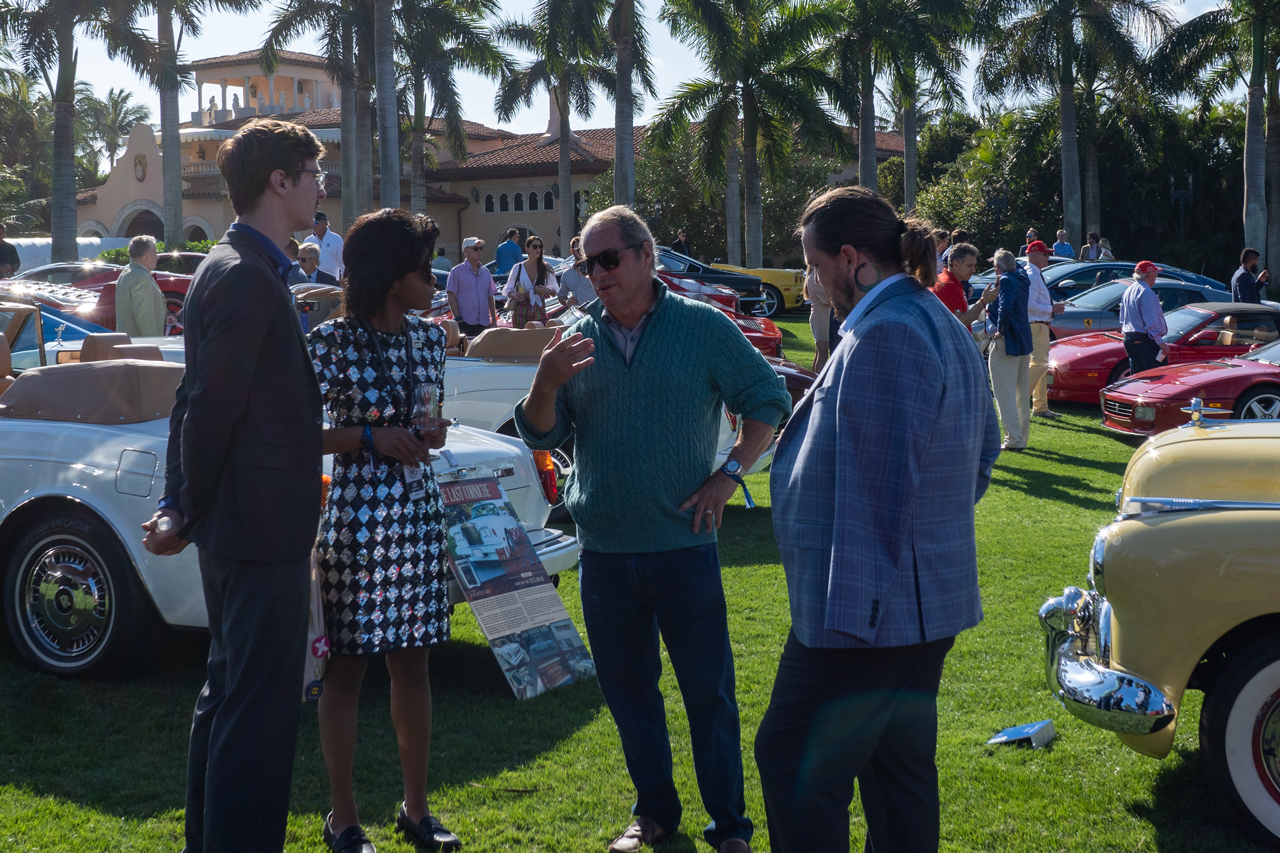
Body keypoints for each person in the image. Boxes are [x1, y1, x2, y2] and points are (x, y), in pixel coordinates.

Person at [514, 205, 791, 853]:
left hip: (683, 546)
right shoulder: (574, 338)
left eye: (609, 259)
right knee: (630, 694)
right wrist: (544, 383)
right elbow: (544, 435)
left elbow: (768, 401)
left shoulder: (702, 326)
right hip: (605, 553)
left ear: (645, 255)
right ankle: (655, 813)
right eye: (588, 264)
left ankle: (730, 826)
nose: (598, 274)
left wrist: (728, 476)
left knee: (708, 695)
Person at [755, 186, 1000, 853]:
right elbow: (981, 453)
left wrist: (853, 621)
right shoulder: (930, 315)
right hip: (913, 611)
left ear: (851, 258)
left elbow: (876, 498)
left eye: (814, 265)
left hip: (865, 620)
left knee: (793, 762)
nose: (811, 283)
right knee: (897, 775)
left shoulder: (886, 331)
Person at [140, 117, 327, 853]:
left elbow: (194, 399)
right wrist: (182, 504)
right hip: (256, 530)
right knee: (257, 716)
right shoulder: (246, 274)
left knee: (229, 700)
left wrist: (180, 502)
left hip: (241, 526)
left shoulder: (233, 265)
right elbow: (208, 407)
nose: (320, 188)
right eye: (313, 175)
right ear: (279, 182)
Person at [308, 209, 459, 853]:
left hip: (417, 517)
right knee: (346, 670)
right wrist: (370, 437)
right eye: (425, 268)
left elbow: (430, 417)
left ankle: (416, 809)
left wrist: (431, 433)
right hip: (357, 523)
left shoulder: (430, 339)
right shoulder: (330, 343)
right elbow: (296, 433)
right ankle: (343, 817)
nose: (436, 278)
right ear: (391, 275)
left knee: (414, 664)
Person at [987, 249, 1034, 450]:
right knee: (1021, 393)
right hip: (1023, 339)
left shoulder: (1005, 280)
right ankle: (1020, 437)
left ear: (997, 267)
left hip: (1008, 340)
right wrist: (1002, 260)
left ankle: (1013, 439)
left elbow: (1005, 307)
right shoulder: (1021, 276)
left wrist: (1001, 330)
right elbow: (1017, 266)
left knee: (1004, 392)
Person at [1023, 240, 1066, 419]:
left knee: (1040, 366)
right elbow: (1029, 304)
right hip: (1036, 326)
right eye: (1045, 254)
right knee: (1039, 365)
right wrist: (1051, 308)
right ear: (1034, 256)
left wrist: (1050, 307)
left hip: (1038, 325)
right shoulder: (1032, 275)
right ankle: (1019, 400)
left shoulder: (1034, 273)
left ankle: (1040, 407)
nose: (1048, 257)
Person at [932, 242, 1000, 326]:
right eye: (969, 265)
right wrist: (983, 301)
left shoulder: (948, 280)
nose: (974, 270)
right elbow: (959, 323)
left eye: (974, 265)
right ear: (955, 264)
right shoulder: (948, 286)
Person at [1120, 260, 1170, 374]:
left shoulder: (1129, 290)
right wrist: (1160, 342)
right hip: (1144, 339)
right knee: (1157, 375)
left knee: (1138, 376)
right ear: (1149, 275)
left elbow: (1122, 318)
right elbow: (1150, 320)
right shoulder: (1146, 292)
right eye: (1155, 273)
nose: (1156, 276)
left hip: (1129, 338)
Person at [115, 235, 168, 338]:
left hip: (130, 340)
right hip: (141, 343)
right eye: (155, 253)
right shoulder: (141, 277)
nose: (158, 257)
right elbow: (145, 317)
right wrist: (155, 342)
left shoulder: (126, 273)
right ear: (147, 255)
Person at [446, 237, 498, 336]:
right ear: (466, 251)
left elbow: (490, 296)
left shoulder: (486, 272)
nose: (479, 251)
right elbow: (451, 296)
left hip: (484, 323)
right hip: (465, 323)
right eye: (475, 248)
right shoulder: (456, 271)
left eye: (480, 248)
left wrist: (494, 321)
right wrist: (458, 318)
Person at [503, 234, 558, 328]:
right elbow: (506, 289)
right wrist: (514, 294)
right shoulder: (518, 267)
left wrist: (546, 290)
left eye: (540, 246)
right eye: (535, 246)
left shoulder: (546, 267)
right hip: (520, 310)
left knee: (540, 335)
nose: (538, 249)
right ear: (527, 248)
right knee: (522, 336)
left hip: (539, 309)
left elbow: (556, 291)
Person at [804, 265, 832, 373]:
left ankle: (814, 378)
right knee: (823, 355)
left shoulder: (815, 277)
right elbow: (828, 300)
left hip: (823, 317)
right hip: (820, 319)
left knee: (819, 354)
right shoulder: (813, 279)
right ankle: (817, 379)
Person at [305, 210, 344, 279]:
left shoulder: (336, 239)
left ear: (324, 223)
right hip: (313, 279)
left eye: (316, 222)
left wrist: (344, 279)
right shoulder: (308, 240)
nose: (314, 225)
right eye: (312, 223)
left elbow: (342, 262)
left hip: (332, 279)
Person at [559, 236, 597, 306]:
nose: (581, 252)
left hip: (593, 311)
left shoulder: (594, 270)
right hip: (577, 311)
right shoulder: (567, 274)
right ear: (572, 251)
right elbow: (561, 296)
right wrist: (567, 302)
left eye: (583, 249)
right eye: (578, 250)